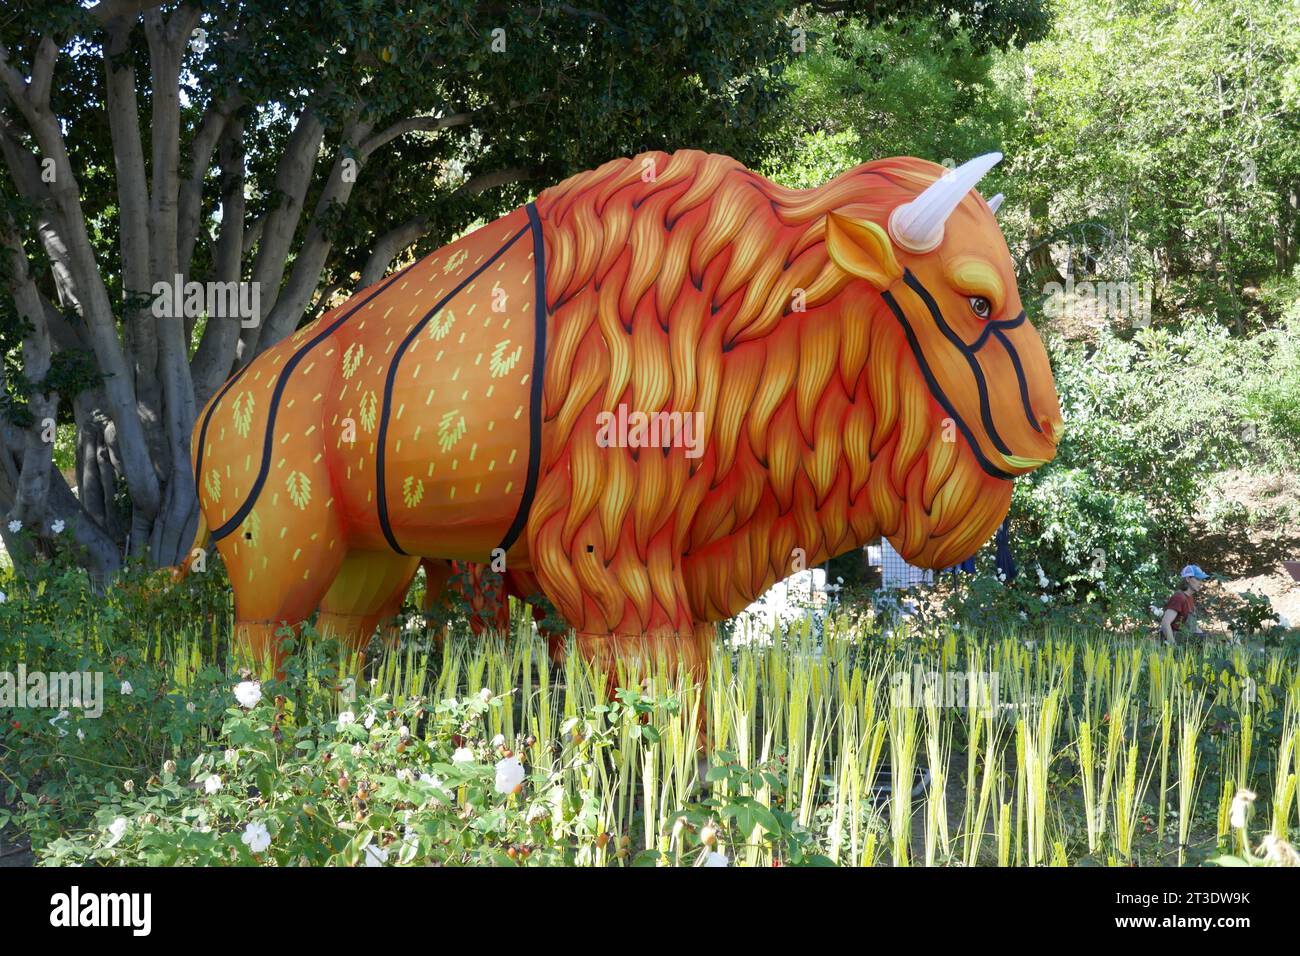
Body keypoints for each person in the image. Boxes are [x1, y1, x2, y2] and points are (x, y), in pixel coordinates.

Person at [1159, 565, 1210, 645]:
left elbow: (1191, 626)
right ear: (1188, 579)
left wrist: (1201, 636)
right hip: (1175, 647)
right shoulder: (1179, 597)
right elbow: (1165, 623)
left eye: (1201, 580)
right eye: (1197, 579)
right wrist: (1173, 647)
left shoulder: (1189, 597)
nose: (1200, 583)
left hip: (1186, 645)